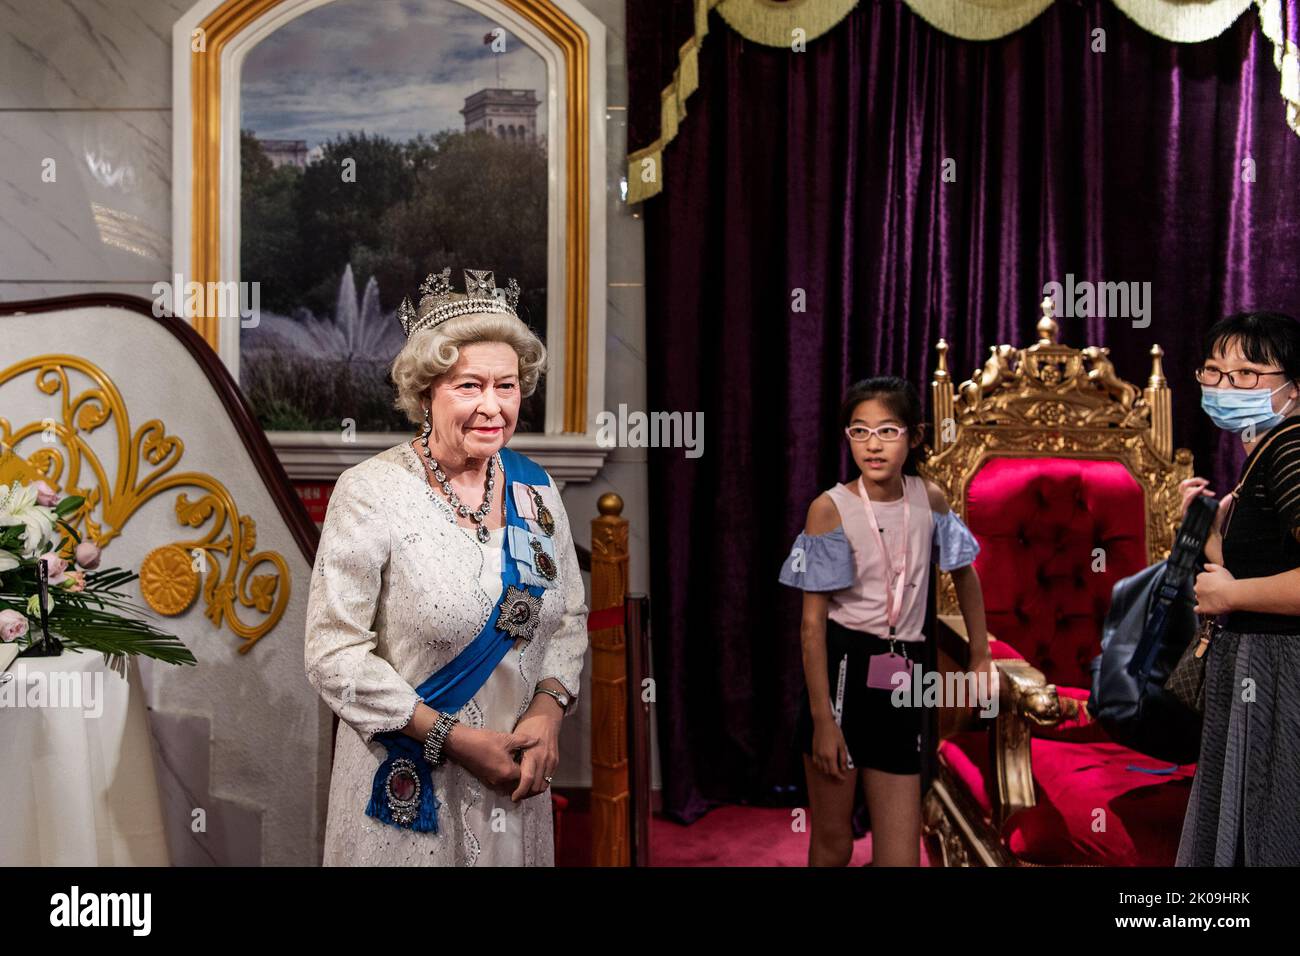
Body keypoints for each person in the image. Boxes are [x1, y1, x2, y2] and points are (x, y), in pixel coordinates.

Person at [305, 267, 588, 866]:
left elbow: (568, 617)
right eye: (469, 386)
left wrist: (549, 710)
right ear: (425, 394)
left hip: (515, 783)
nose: (492, 406)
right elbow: (333, 653)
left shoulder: (535, 491)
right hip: (411, 780)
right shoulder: (371, 492)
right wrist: (452, 739)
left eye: (506, 386)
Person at [779, 376, 991, 866]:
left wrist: (980, 655)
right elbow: (812, 627)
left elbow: (965, 574)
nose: (872, 445)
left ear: (914, 437)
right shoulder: (830, 510)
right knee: (834, 843)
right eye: (859, 431)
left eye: (887, 431)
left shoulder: (929, 500)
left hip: (905, 677)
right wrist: (823, 721)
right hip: (843, 675)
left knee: (900, 857)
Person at [1177, 310, 1300, 866]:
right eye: (1214, 371)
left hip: (1283, 675)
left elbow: (1242, 592)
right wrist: (1209, 539)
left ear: (1293, 388)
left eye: (1248, 373)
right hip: (1259, 669)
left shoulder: (1291, 449)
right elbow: (1264, 569)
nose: (1226, 386)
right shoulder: (1266, 454)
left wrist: (1230, 597)